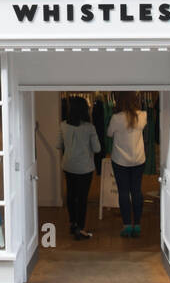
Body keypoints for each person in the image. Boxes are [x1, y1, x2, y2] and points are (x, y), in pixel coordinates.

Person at [57, 96, 100, 241]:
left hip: (68, 165)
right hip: (85, 167)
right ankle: (80, 228)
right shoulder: (90, 128)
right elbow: (97, 148)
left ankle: (72, 223)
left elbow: (59, 145)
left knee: (71, 194)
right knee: (82, 197)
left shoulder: (63, 125)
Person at [107, 91, 147, 237]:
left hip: (120, 160)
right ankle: (137, 224)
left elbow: (109, 133)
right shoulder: (142, 115)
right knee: (136, 191)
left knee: (123, 192)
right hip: (138, 159)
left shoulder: (116, 118)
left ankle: (126, 225)